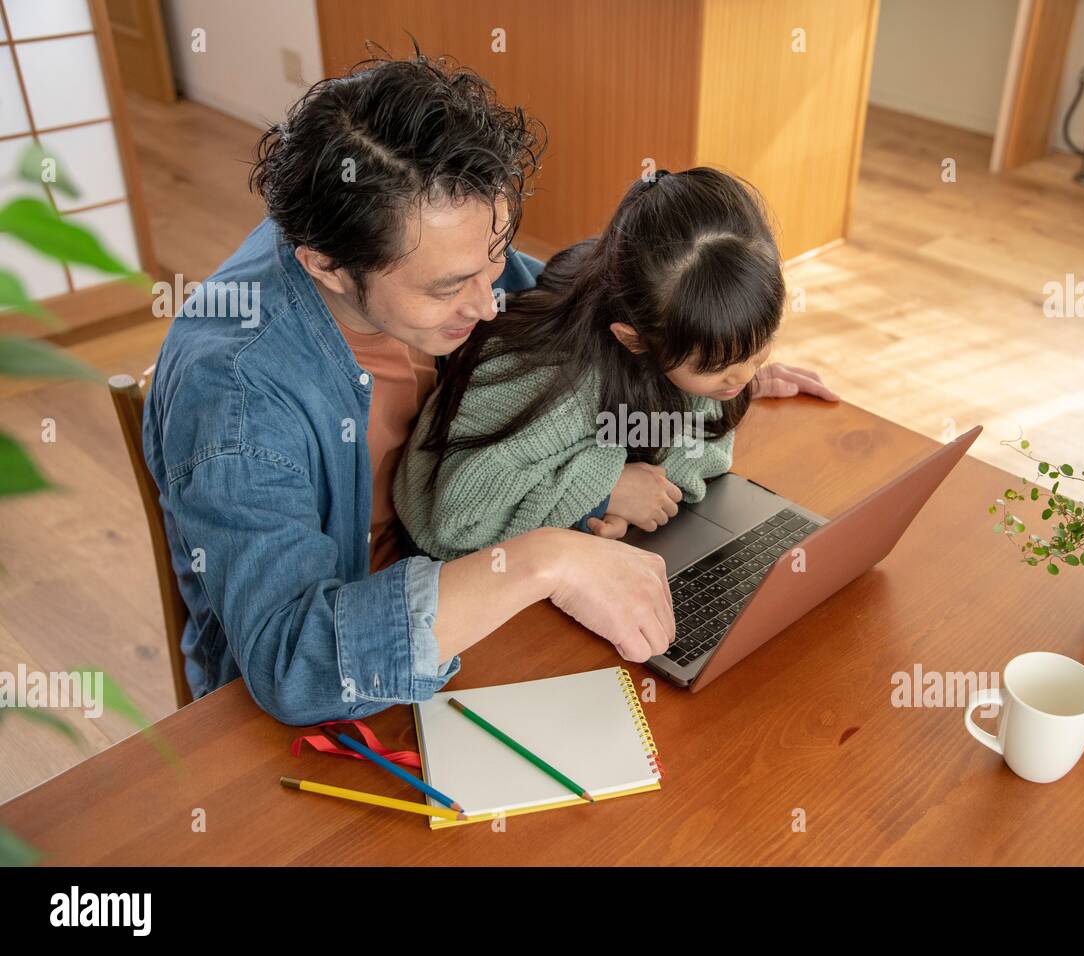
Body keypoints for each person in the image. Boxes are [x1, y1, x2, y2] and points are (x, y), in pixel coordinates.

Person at [141, 51, 836, 726]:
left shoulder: (442, 246)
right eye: (447, 287)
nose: (487, 301)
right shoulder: (234, 395)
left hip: (483, 601)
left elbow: (563, 313)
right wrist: (545, 560)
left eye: (496, 255)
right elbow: (294, 661)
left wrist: (709, 365)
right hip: (351, 697)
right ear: (326, 265)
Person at [395, 167, 783, 559]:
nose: (744, 375)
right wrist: (604, 490)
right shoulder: (557, 380)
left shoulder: (679, 324)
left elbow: (708, 449)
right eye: (718, 364)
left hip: (537, 529)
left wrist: (617, 501)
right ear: (633, 340)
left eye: (761, 344)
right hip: (449, 555)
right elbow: (460, 520)